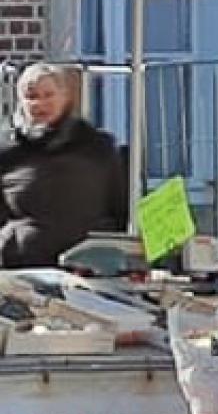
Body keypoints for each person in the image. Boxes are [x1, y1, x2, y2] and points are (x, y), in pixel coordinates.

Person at [0, 63, 126, 268]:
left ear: (65, 97)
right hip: (22, 264)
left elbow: (119, 207)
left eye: (48, 95)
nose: (40, 103)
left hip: (86, 265)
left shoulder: (97, 146)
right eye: (31, 96)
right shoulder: (7, 150)